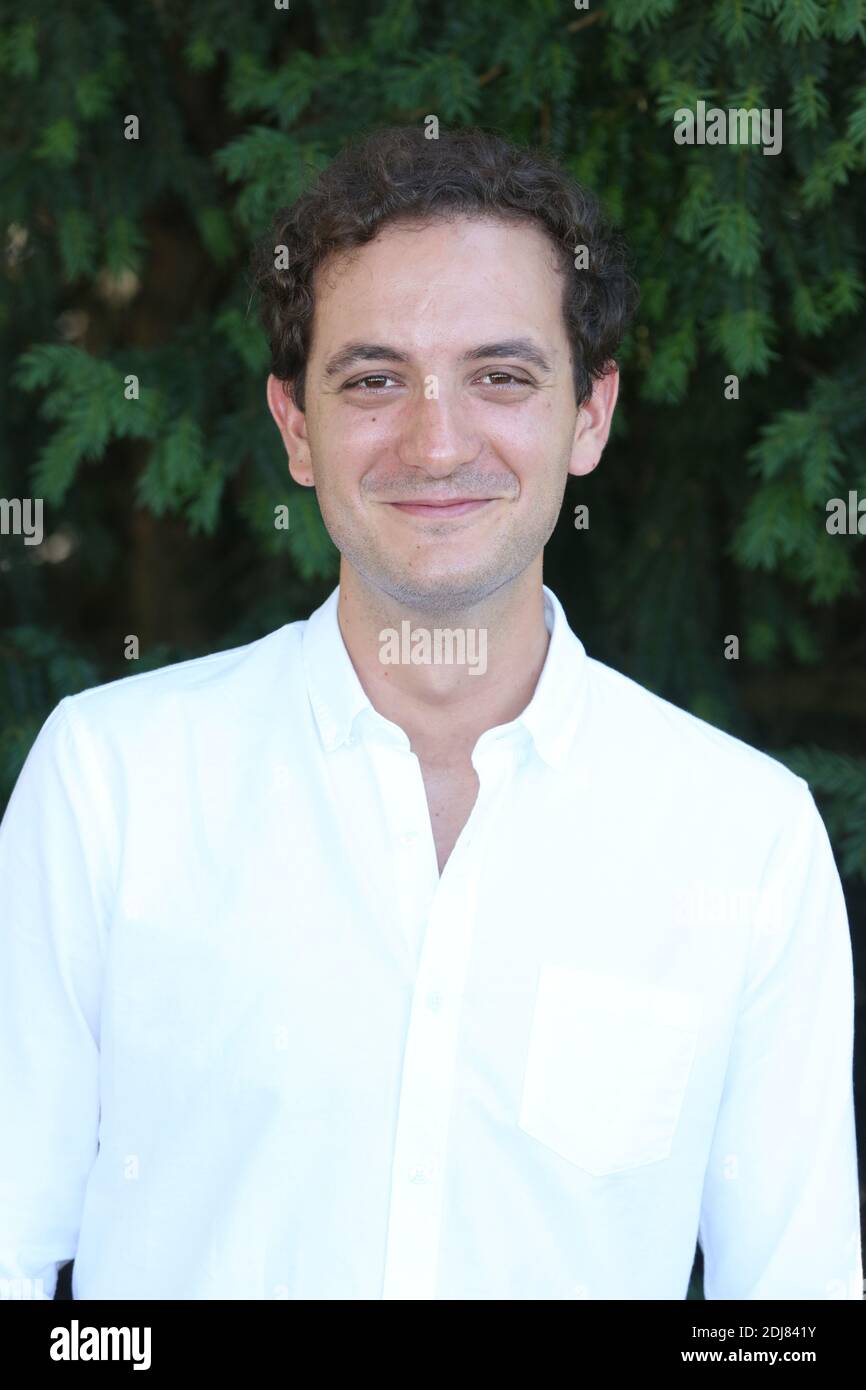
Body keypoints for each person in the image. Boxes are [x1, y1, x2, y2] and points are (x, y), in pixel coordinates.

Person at [0, 126, 861, 1301]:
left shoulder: (743, 839)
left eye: (500, 375)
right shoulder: (110, 784)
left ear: (591, 414)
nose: (436, 440)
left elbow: (790, 1311)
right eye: (371, 379)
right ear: (296, 427)